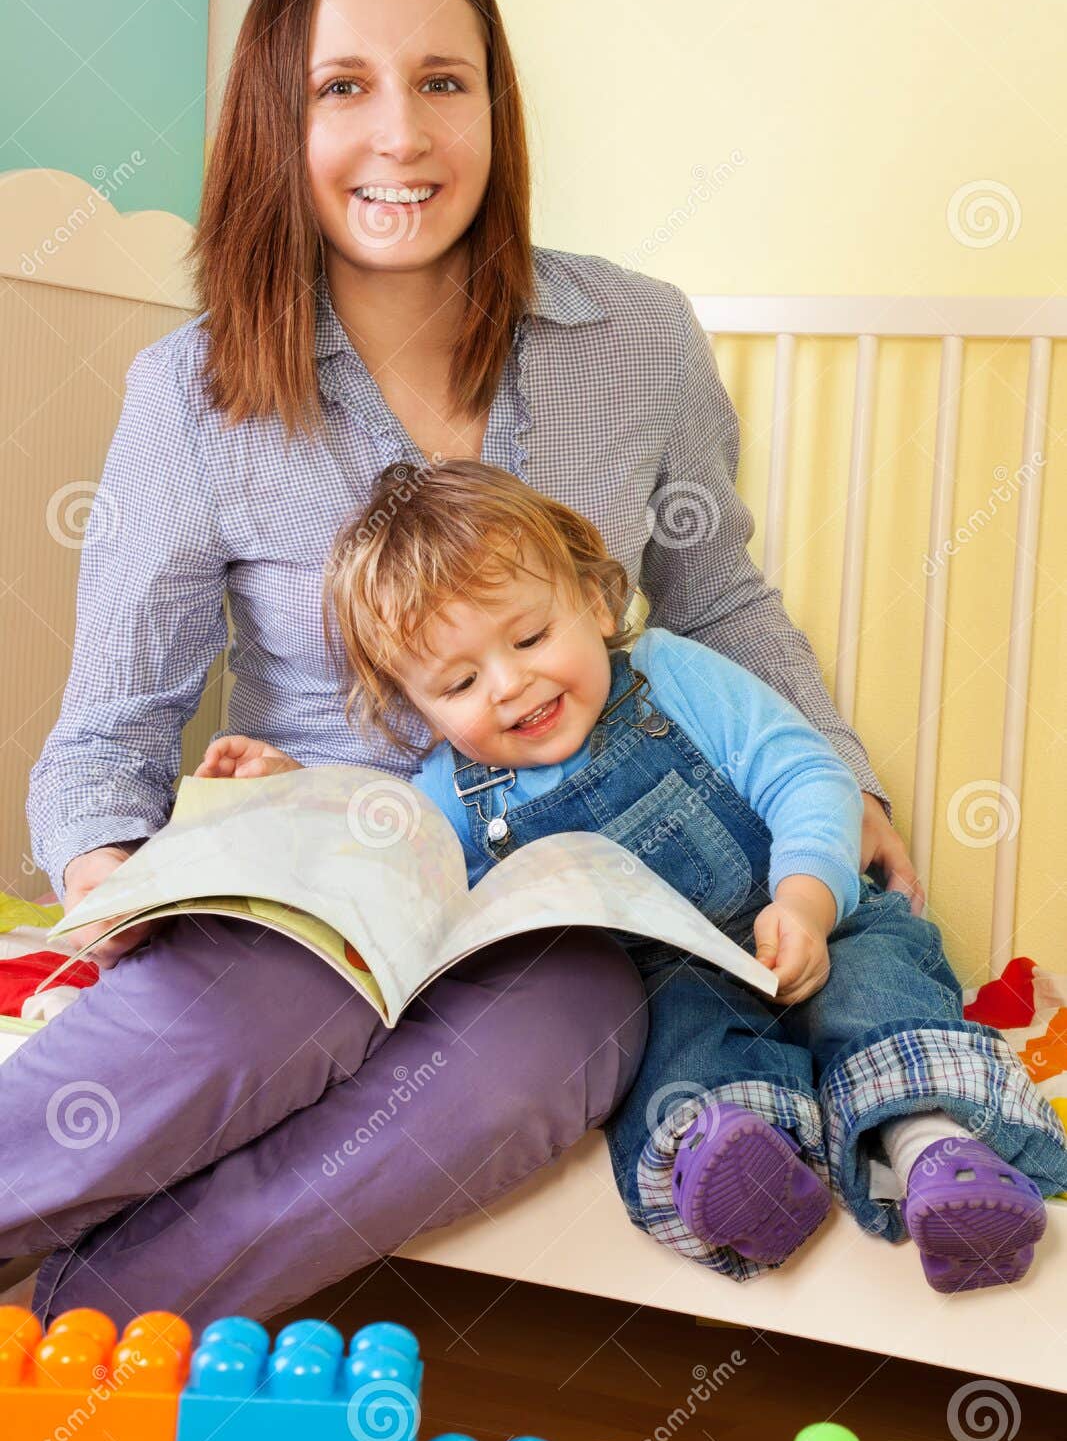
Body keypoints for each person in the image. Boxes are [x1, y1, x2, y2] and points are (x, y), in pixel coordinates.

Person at [7, 0, 906, 1330]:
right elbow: (112, 719)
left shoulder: (641, 336)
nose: (402, 135)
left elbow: (715, 595)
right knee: (267, 1010)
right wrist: (116, 877)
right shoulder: (191, 392)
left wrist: (836, 777)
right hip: (317, 866)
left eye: (443, 81)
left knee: (554, 1049)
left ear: (494, 103)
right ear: (275, 119)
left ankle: (98, 1327)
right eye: (342, 87)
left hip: (559, 897)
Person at [196, 460, 1067, 1293]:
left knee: (875, 990)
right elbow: (388, 876)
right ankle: (744, 1171)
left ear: (592, 596)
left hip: (813, 921)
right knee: (673, 1047)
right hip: (668, 983)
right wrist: (295, 797)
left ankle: (933, 1156)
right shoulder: (445, 795)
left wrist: (805, 895)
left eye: (531, 636)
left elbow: (803, 773)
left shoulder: (668, 674)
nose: (509, 685)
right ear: (411, 707)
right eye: (458, 682)